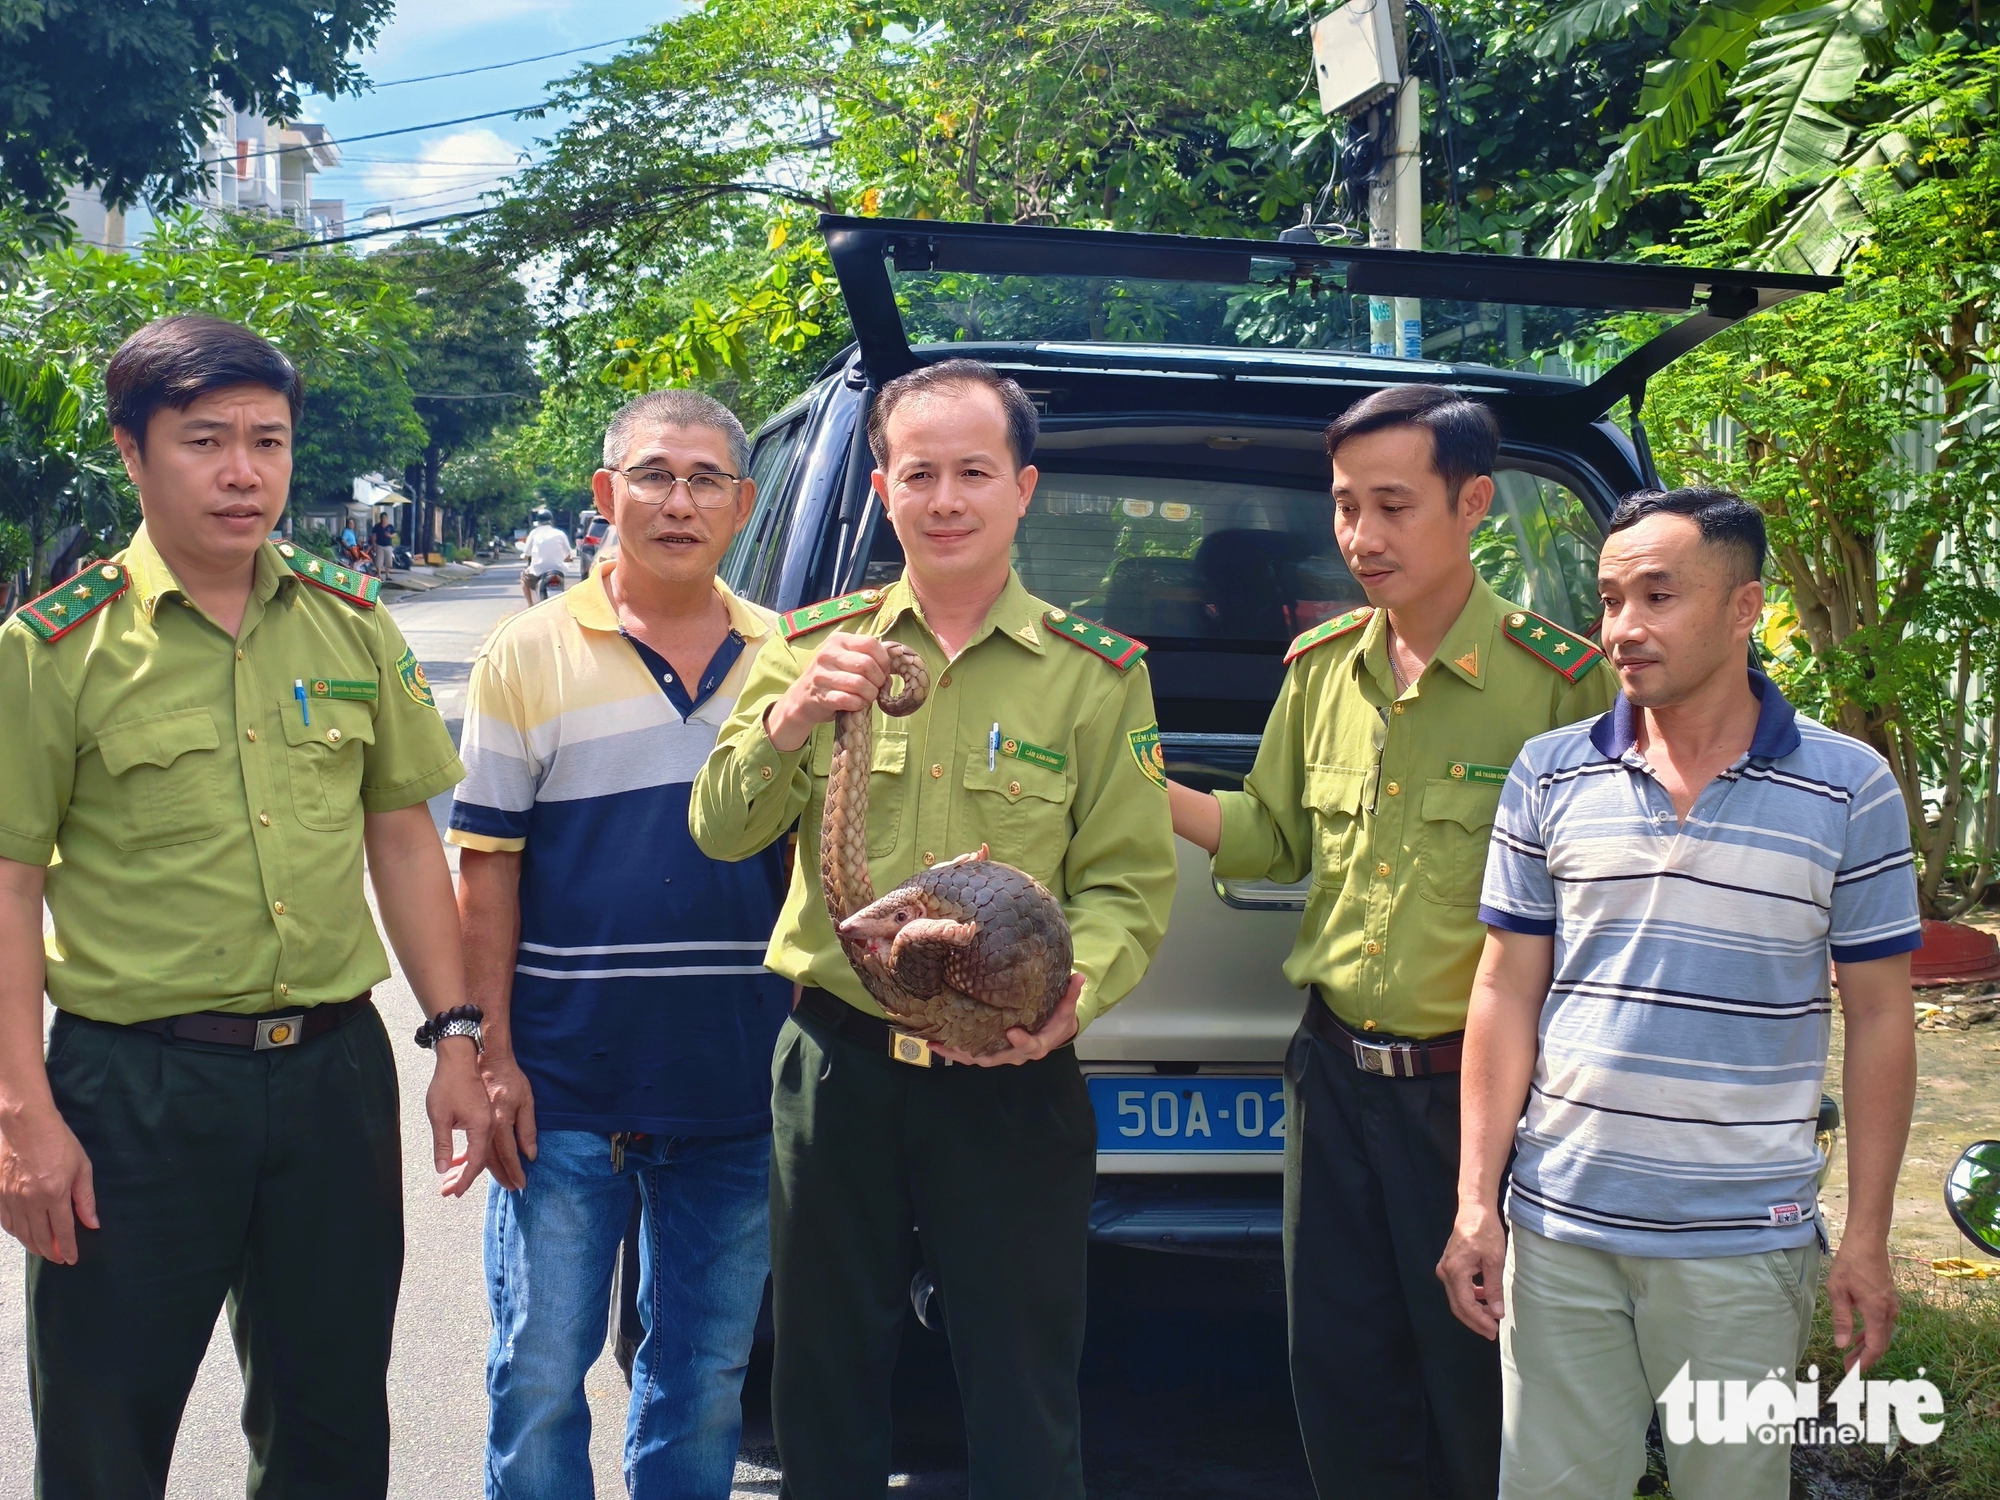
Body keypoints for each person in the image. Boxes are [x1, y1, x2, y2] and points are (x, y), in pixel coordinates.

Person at [0, 314, 490, 1498]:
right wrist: (22, 1115)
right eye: (204, 440)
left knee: (330, 1429)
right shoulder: (50, 650)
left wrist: (456, 1037)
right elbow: (9, 885)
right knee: (106, 1431)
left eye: (266, 442)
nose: (241, 473)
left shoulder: (353, 625)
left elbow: (405, 845)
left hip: (330, 1078)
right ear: (132, 451)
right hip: (133, 1091)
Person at [689, 358, 1178, 1499]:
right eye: (920, 473)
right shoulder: (816, 644)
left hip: (1009, 1078)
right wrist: (794, 712)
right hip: (838, 1065)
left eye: (973, 471)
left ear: (1023, 488)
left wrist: (1068, 1005)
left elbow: (1125, 884)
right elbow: (717, 829)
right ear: (880, 488)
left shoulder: (1094, 677)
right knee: (820, 1375)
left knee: (1020, 1379)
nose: (945, 499)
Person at [1166, 384, 1617, 1500]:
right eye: (1342, 507)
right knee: (1338, 1369)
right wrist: (1135, 789)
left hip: (1474, 1096)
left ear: (1470, 504)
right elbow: (1269, 839)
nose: (1360, 538)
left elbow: (1610, 910)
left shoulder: (1562, 687)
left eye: (1391, 506)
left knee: (1479, 1378)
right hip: (1330, 1075)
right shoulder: (1323, 670)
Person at [1437, 488, 1920, 1500]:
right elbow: (1503, 990)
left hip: (1741, 1243)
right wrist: (1475, 1203)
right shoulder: (1549, 775)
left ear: (1743, 608)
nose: (1622, 628)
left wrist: (1866, 1237)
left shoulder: (1846, 786)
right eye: (1609, 598)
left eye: (1657, 596)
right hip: (1560, 1229)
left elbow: (1879, 1016)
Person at [452, 390, 789, 1498]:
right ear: (606, 495)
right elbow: (486, 867)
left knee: (701, 1375)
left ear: (742, 506)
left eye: (703, 481)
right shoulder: (527, 654)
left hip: (734, 1080)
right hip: (563, 1084)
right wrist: (491, 1057)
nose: (677, 501)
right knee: (540, 1372)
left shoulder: (785, 657)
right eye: (652, 475)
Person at [519, 507, 573, 608]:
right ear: (551, 521)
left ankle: (530, 606)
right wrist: (567, 559)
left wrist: (524, 557)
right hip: (558, 570)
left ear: (538, 522)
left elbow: (526, 554)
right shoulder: (560, 533)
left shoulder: (534, 533)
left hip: (539, 571)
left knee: (523, 578)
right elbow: (568, 554)